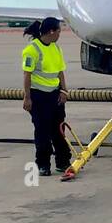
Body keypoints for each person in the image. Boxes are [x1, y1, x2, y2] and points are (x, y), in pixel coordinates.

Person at [21, 17, 72, 176]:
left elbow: (60, 71)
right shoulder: (32, 50)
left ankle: (63, 162)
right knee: (42, 131)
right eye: (58, 31)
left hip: (55, 95)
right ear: (51, 31)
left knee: (59, 130)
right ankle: (43, 164)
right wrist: (27, 97)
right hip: (38, 96)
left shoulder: (56, 48)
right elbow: (27, 75)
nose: (59, 34)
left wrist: (64, 91)